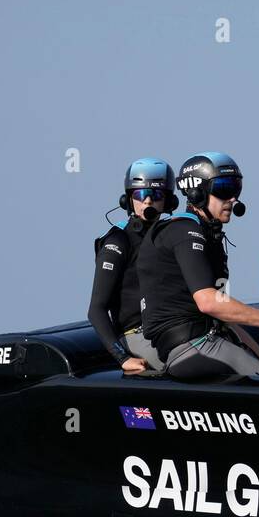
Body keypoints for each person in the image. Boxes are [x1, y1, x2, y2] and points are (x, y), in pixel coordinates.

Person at [137, 152, 259, 379]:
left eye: (236, 188)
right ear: (197, 192)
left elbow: (224, 315)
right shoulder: (185, 232)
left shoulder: (207, 235)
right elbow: (209, 302)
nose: (233, 198)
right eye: (224, 188)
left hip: (208, 341)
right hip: (192, 346)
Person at [88, 159, 177, 374]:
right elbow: (96, 310)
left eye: (155, 195)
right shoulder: (117, 242)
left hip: (173, 329)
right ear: (128, 200)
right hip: (138, 335)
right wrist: (123, 357)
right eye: (139, 194)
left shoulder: (173, 238)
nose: (147, 201)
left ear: (169, 201)